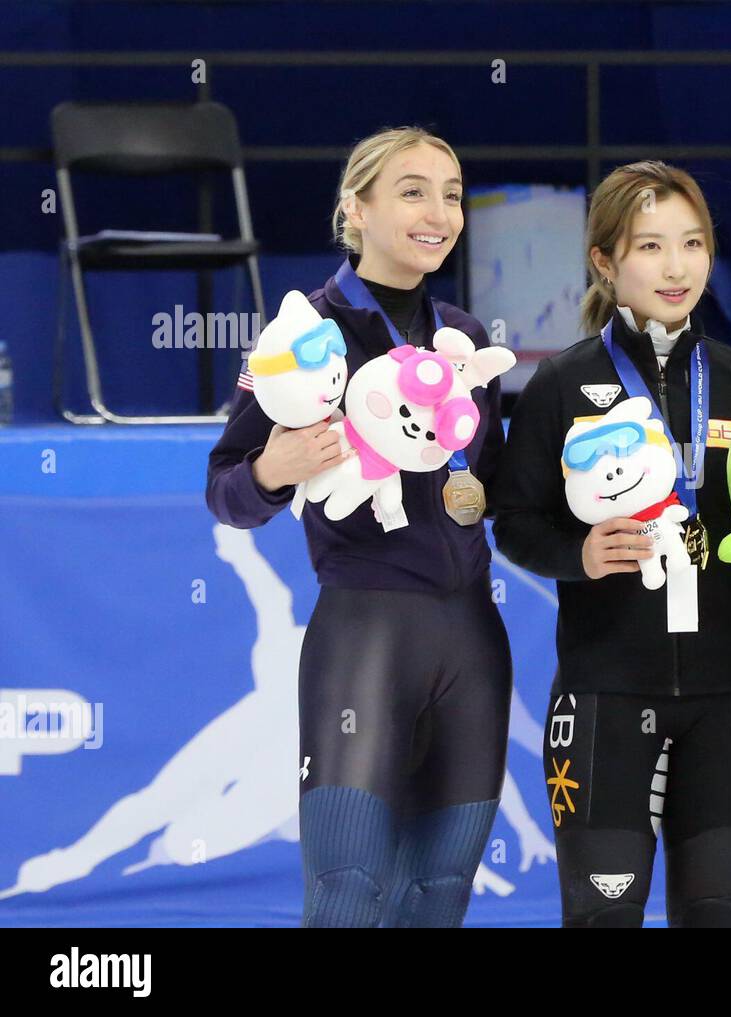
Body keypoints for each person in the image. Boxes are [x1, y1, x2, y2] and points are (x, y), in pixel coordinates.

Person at [490, 160, 731, 927]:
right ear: (605, 262)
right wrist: (578, 555)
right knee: (602, 917)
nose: (676, 266)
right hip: (605, 696)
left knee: (713, 916)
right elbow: (514, 520)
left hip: (730, 701)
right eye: (650, 247)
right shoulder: (560, 385)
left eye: (692, 243)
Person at [206, 126, 511, 927]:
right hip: (365, 636)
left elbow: (500, 491)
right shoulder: (304, 331)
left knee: (437, 894)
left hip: (472, 638)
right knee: (347, 889)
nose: (438, 211)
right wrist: (277, 466)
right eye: (412, 190)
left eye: (451, 193)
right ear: (357, 208)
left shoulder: (467, 339)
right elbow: (226, 490)